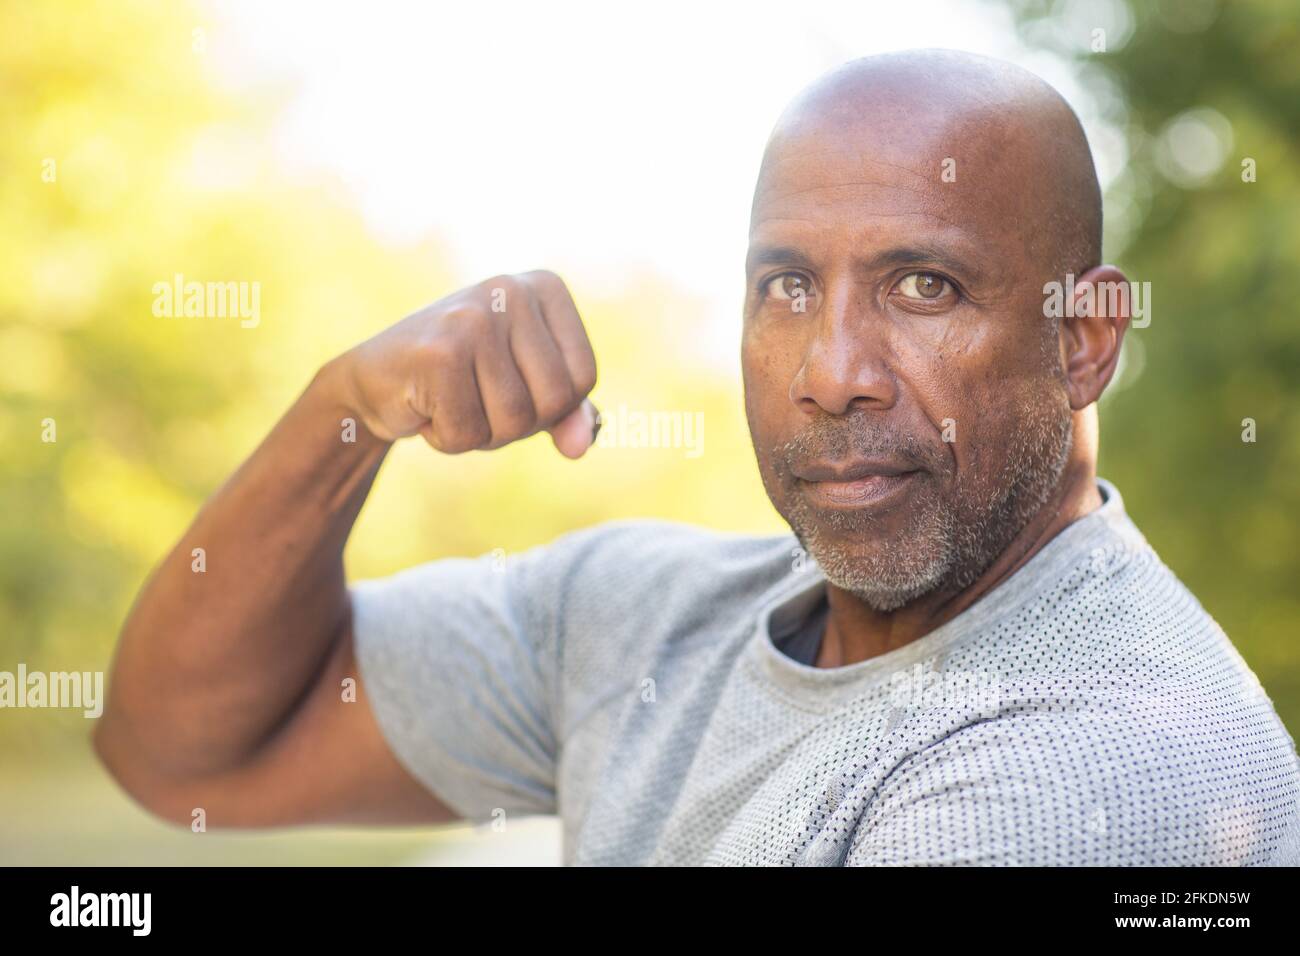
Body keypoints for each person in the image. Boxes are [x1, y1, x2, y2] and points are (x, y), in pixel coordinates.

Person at [95, 49, 1300, 865]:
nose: (830, 370)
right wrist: (342, 415)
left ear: (1082, 340)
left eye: (923, 286)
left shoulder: (1120, 753)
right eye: (786, 285)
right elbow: (181, 749)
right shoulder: (638, 623)